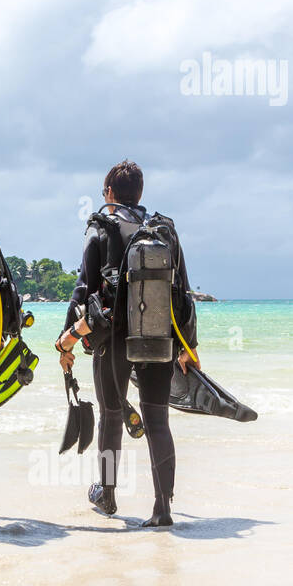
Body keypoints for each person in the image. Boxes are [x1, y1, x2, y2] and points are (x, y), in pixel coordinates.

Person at [55, 160, 200, 528]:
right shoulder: (163, 231)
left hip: (113, 337)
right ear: (139, 194)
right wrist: (189, 345)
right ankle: (162, 507)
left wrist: (66, 340)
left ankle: (107, 494)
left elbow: (84, 287)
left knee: (111, 416)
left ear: (108, 193)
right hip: (158, 336)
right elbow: (182, 291)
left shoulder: (100, 226)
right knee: (158, 420)